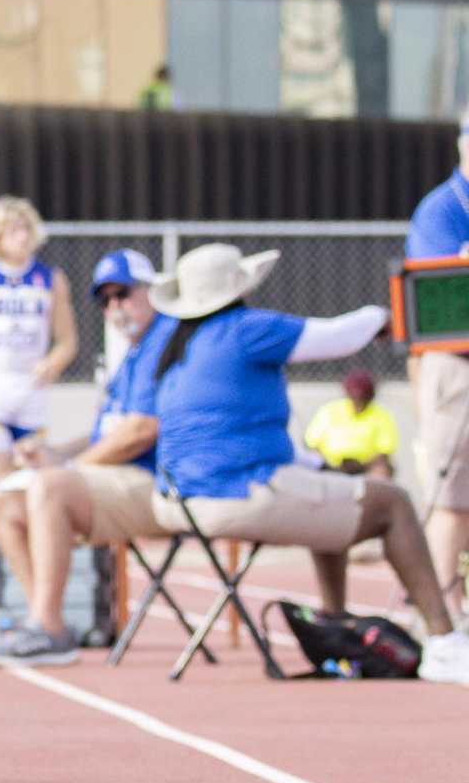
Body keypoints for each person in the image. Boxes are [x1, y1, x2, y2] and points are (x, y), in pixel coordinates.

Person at [147, 242, 469, 683]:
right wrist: (384, 316)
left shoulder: (181, 350)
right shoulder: (244, 328)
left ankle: (333, 621)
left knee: (335, 494)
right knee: (392, 502)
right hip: (237, 493)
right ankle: (444, 641)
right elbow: (335, 337)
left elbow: (232, 432)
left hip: (179, 498)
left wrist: (318, 467)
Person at [0, 250, 175, 667]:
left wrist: (71, 466)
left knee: (52, 487)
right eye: (104, 301)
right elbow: (105, 435)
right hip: (117, 479)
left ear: (151, 291)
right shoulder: (133, 353)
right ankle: (46, 621)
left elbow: (141, 433)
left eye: (122, 294)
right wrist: (53, 452)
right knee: (2, 502)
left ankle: (47, 627)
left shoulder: (166, 341)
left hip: (159, 483)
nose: (114, 308)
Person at [0, 196, 77, 589]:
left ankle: (36, 584)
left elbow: (68, 340)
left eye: (25, 228)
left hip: (31, 396)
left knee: (33, 489)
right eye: (11, 230)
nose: (21, 237)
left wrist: (53, 362)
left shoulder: (49, 278)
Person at [404, 121, 469, 595]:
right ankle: (444, 622)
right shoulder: (442, 210)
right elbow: (441, 294)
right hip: (457, 368)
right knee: (452, 500)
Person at [305, 370, 398, 480]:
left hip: (366, 467)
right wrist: (327, 463)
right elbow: (312, 444)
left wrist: (362, 465)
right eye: (355, 398)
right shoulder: (329, 411)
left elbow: (384, 452)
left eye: (363, 399)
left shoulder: (381, 415)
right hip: (330, 466)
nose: (358, 402)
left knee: (382, 470)